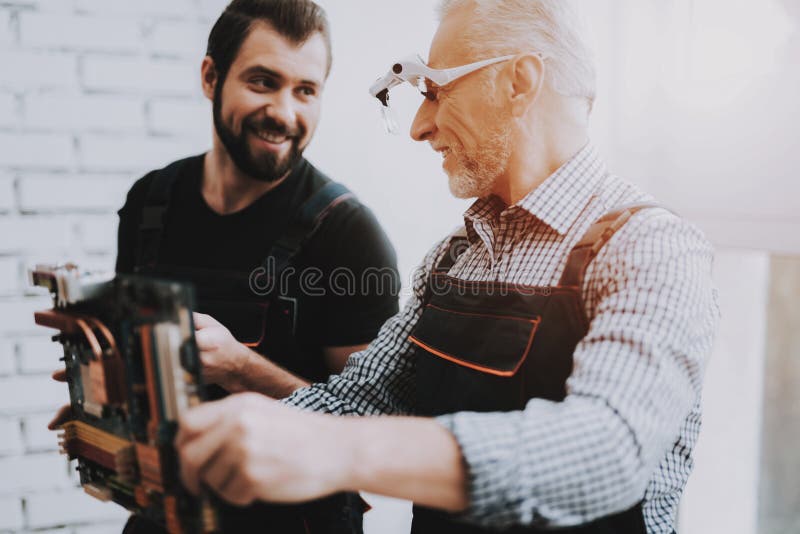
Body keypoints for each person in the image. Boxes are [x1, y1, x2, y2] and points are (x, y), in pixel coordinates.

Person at [174, 1, 719, 533]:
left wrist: (338, 450)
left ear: (519, 82)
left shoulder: (650, 249)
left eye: (435, 92)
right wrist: (212, 428)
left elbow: (605, 453)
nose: (420, 126)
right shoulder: (455, 256)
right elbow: (357, 403)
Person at [51, 0, 399, 533]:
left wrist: (240, 368)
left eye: (305, 90)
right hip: (164, 515)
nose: (285, 111)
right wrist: (99, 404)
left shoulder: (348, 234)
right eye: (263, 82)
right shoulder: (150, 203)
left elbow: (374, 430)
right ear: (211, 76)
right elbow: (142, 383)